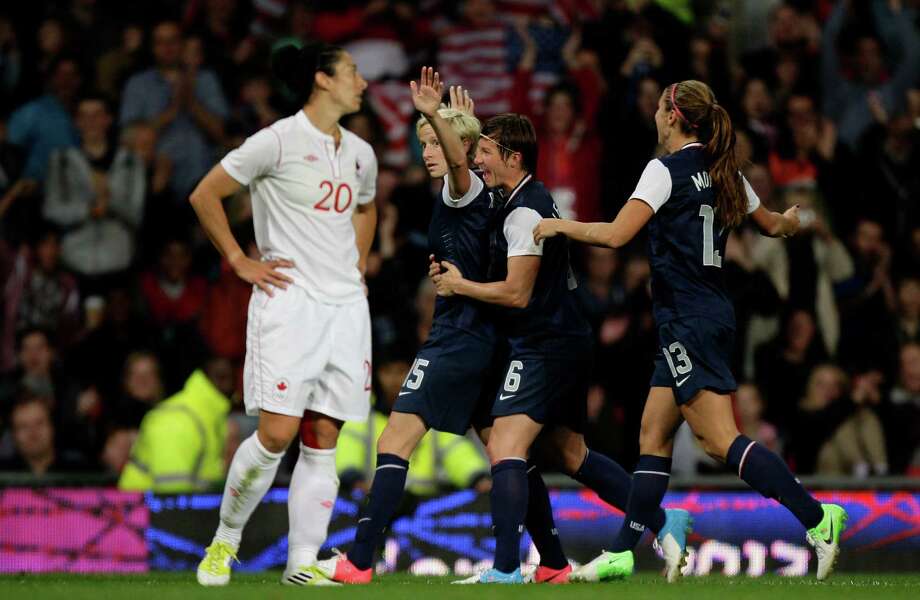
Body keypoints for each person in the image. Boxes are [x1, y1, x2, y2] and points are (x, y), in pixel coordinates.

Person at [533, 80, 848, 582]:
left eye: (660, 108)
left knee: (720, 439)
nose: (655, 117)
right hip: (709, 315)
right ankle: (627, 548)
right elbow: (771, 225)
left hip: (687, 320)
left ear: (674, 118)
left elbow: (616, 236)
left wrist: (560, 226)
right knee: (653, 434)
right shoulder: (724, 171)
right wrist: (791, 221)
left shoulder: (664, 169)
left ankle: (817, 518)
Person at [430, 110, 688, 584]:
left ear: (514, 157)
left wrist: (461, 286)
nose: (478, 160)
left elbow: (517, 293)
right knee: (572, 456)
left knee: (505, 446)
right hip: (562, 341)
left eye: (485, 151)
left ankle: (506, 568)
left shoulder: (526, 211)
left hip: (544, 345)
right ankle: (658, 521)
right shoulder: (515, 199)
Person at [190, 41, 377, 587]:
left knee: (323, 436)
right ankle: (225, 541)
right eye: (353, 73)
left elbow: (367, 207)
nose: (363, 84)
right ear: (322, 80)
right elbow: (207, 194)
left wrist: (357, 264)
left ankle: (302, 563)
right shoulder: (277, 140)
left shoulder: (361, 152)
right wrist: (238, 260)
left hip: (346, 309)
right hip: (289, 304)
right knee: (276, 432)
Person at [118, 357, 235, 492]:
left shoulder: (209, 415)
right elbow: (171, 490)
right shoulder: (177, 419)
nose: (143, 382)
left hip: (168, 507)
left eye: (148, 375)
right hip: (142, 510)